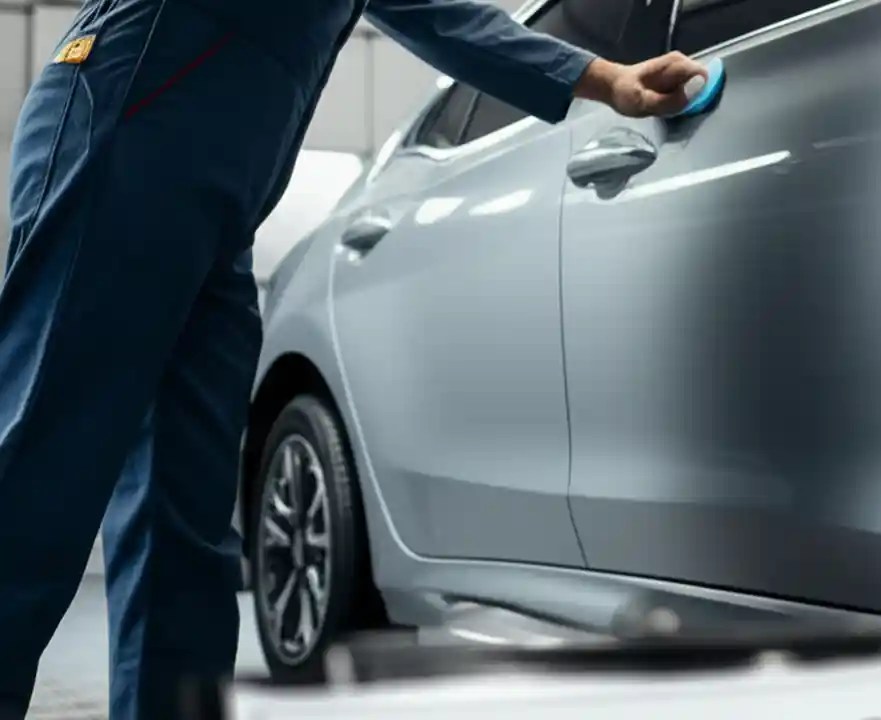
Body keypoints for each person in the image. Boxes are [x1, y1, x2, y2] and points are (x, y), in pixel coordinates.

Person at [0, 0, 706, 717]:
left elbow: (435, 14)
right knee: (37, 476)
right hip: (137, 115)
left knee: (183, 529)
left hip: (222, 188)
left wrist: (603, 77)